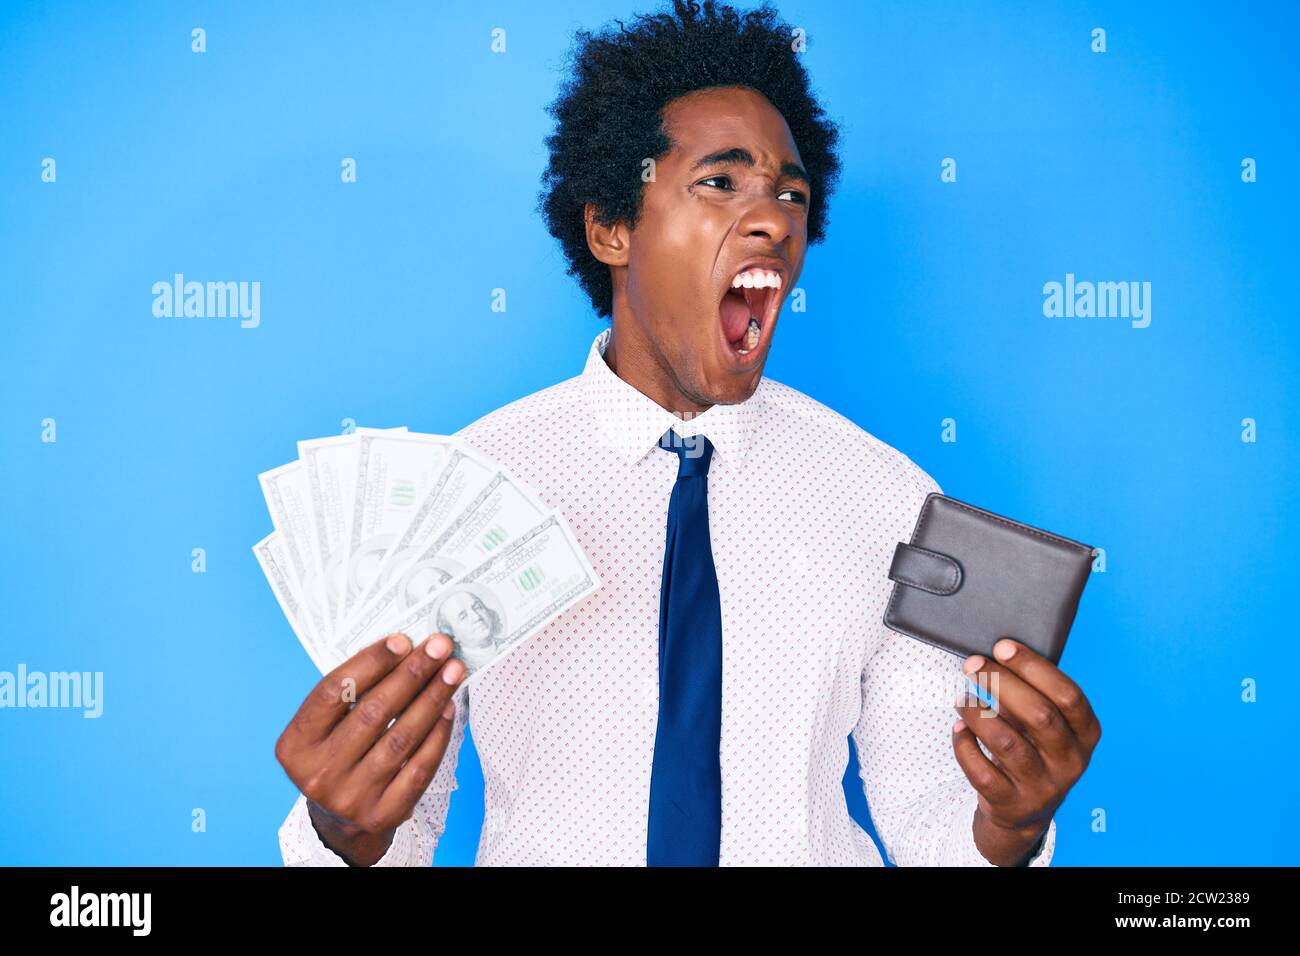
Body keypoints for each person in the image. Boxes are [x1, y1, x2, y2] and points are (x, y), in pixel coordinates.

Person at [274, 0, 1101, 867]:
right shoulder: (470, 487)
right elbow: (396, 826)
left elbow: (941, 826)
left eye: (791, 193)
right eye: (720, 181)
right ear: (611, 227)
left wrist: (1011, 825)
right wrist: (342, 831)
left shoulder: (887, 494)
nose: (775, 219)